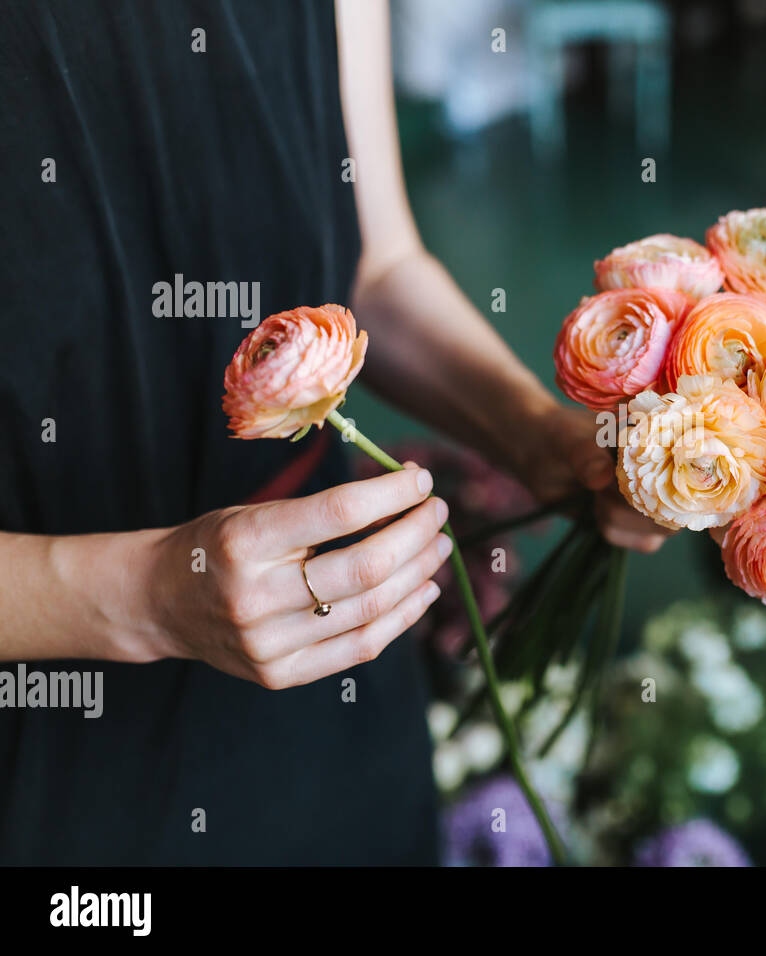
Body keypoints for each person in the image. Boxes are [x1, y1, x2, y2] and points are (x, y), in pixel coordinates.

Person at [0, 0, 665, 865]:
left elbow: (374, 270)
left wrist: (542, 440)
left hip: (331, 653)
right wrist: (150, 597)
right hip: (56, 727)